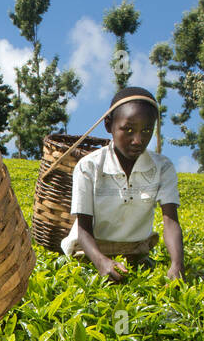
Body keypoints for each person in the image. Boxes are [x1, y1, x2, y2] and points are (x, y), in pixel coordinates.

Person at [59, 87, 184, 282]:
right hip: (88, 253)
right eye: (128, 129)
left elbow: (171, 221)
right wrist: (101, 262)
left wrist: (177, 265)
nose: (138, 140)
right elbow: (83, 229)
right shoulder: (89, 166)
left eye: (147, 130)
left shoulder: (163, 167)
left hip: (135, 253)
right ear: (109, 125)